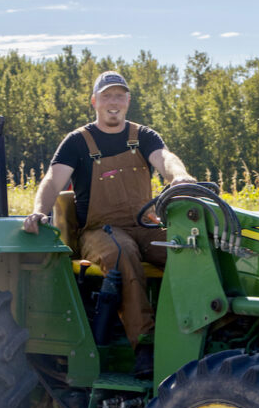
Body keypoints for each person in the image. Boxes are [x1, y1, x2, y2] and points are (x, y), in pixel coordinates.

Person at [23, 71, 195, 374]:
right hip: (98, 231)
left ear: (128, 101)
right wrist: (39, 210)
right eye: (106, 96)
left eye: (119, 95)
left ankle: (204, 330)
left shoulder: (143, 136)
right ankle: (145, 344)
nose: (113, 102)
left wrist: (179, 176)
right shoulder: (77, 142)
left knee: (188, 249)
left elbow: (165, 158)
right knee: (120, 253)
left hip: (144, 225)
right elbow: (53, 180)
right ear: (94, 102)